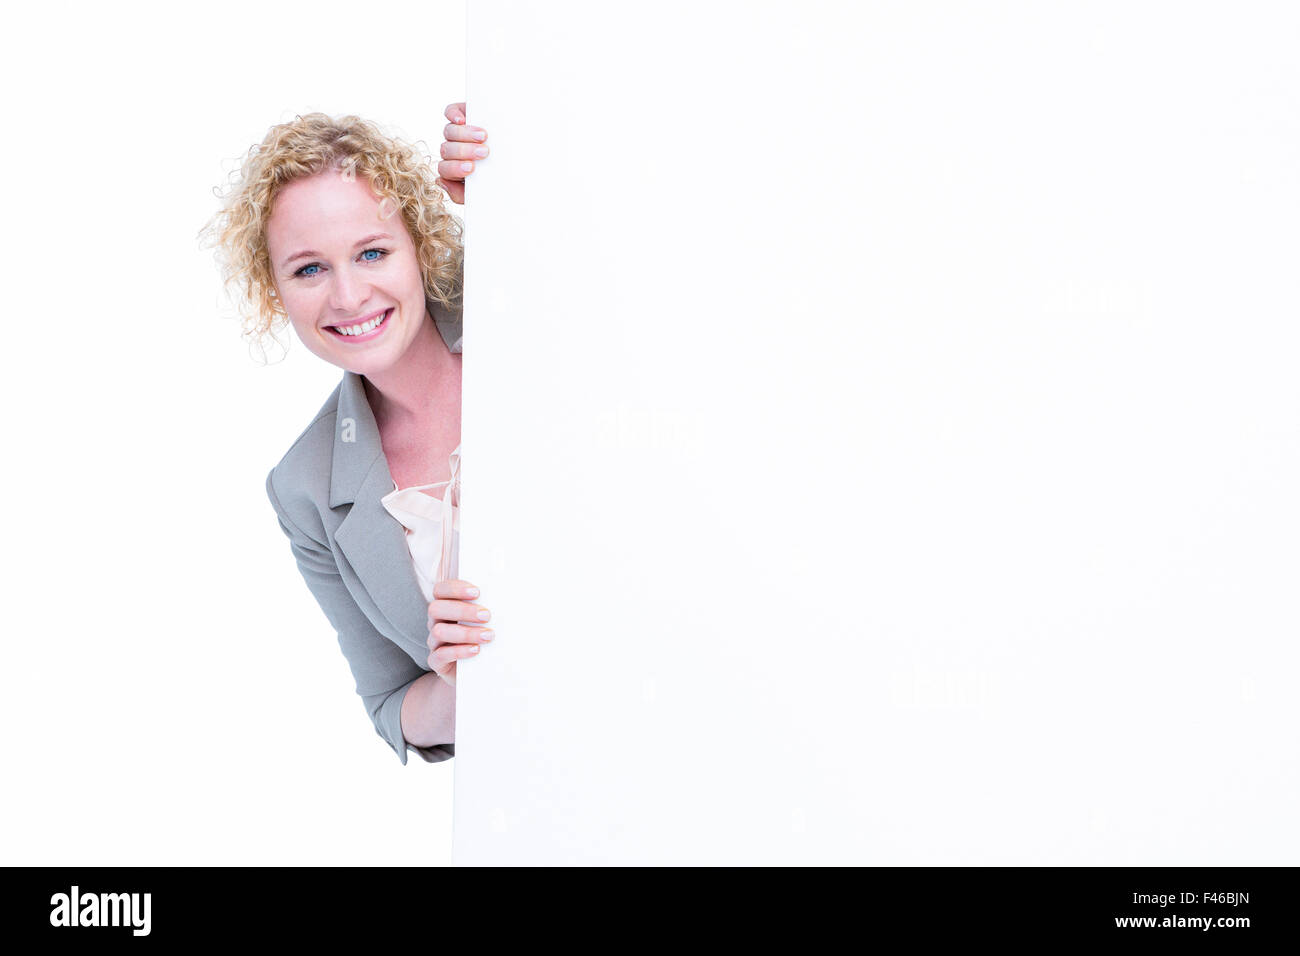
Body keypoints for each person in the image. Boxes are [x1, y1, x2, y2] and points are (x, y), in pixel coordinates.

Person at [202, 104, 492, 764]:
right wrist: (460, 680)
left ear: (421, 244)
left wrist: (509, 185)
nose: (349, 296)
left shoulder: (513, 303)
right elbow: (393, 705)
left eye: (373, 252)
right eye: (309, 268)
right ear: (273, 288)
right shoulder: (304, 487)